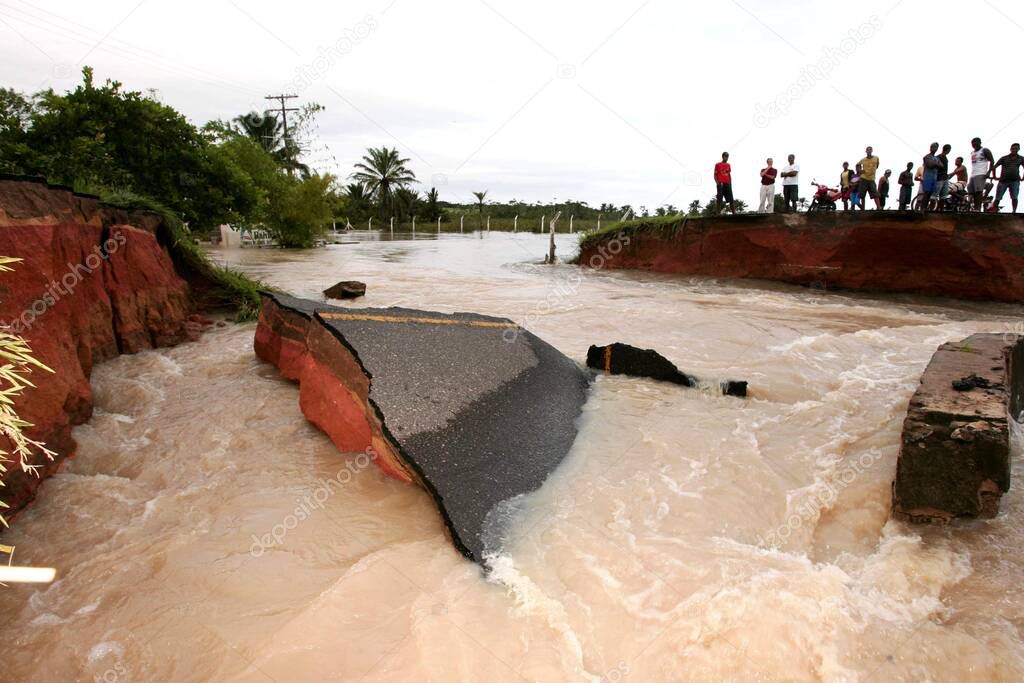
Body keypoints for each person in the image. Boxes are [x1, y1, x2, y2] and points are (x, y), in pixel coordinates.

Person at [992, 142, 1022, 213]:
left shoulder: (1021, 158)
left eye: (1016, 149)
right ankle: (994, 211)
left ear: (1018, 149)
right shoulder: (1004, 158)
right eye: (1013, 148)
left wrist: (1023, 177)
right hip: (1003, 180)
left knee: (1014, 197)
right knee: (998, 197)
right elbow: (994, 167)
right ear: (1010, 149)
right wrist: (994, 176)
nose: (1014, 150)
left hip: (1015, 180)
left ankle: (1014, 211)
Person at [969, 137, 995, 210]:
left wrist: (989, 172)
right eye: (972, 143)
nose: (974, 144)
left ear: (980, 142)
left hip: (981, 173)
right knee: (972, 191)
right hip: (973, 174)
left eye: (975, 142)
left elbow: (992, 161)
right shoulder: (972, 152)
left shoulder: (984, 150)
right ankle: (975, 206)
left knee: (978, 191)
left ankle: (978, 208)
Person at [921, 142, 941, 211]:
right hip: (927, 177)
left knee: (932, 195)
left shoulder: (936, 158)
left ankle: (929, 210)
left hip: (934, 178)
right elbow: (930, 165)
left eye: (936, 147)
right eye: (933, 147)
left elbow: (941, 166)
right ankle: (922, 209)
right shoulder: (927, 156)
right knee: (927, 193)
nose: (935, 148)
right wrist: (936, 164)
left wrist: (935, 163)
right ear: (930, 148)